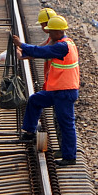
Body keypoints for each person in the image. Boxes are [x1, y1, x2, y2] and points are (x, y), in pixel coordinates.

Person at [12, 14, 78, 166]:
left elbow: (41, 51)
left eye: (50, 31)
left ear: (57, 32)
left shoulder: (62, 46)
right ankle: (29, 131)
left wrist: (21, 45)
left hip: (65, 92)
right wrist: (24, 53)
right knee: (35, 100)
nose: (48, 33)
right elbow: (41, 50)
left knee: (66, 125)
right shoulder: (64, 43)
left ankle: (70, 157)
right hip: (57, 90)